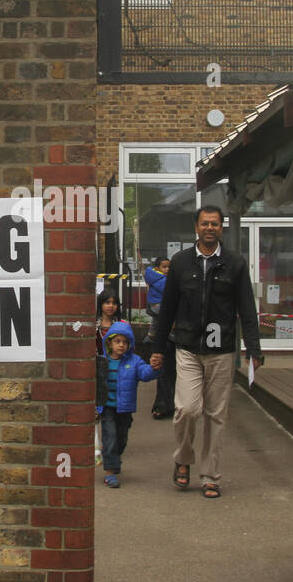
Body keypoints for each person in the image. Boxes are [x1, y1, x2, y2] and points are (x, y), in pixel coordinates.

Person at [150, 205, 264, 498]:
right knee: (187, 409)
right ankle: (183, 459)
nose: (210, 228)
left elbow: (247, 309)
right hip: (187, 347)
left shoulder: (234, 263)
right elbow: (168, 309)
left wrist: (253, 348)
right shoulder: (181, 262)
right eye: (205, 224)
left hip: (221, 350)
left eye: (215, 224)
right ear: (196, 228)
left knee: (216, 414)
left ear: (221, 228)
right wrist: (158, 347)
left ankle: (210, 474)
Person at [95, 320, 160, 488]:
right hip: (107, 408)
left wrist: (154, 368)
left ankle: (115, 457)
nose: (121, 345)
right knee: (109, 438)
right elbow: (95, 385)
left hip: (125, 409)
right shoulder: (102, 361)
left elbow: (145, 374)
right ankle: (110, 471)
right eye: (117, 341)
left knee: (121, 438)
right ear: (109, 342)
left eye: (125, 342)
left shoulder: (135, 361)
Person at [144, 257, 177, 419]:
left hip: (166, 336)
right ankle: (163, 406)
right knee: (165, 372)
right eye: (164, 267)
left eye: (169, 267)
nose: (168, 269)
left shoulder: (155, 281)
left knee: (168, 372)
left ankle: (166, 405)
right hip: (166, 338)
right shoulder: (164, 282)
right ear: (158, 268)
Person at [95, 288, 121, 357]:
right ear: (101, 304)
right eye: (107, 302)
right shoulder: (93, 326)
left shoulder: (122, 325)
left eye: (114, 303)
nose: (111, 306)